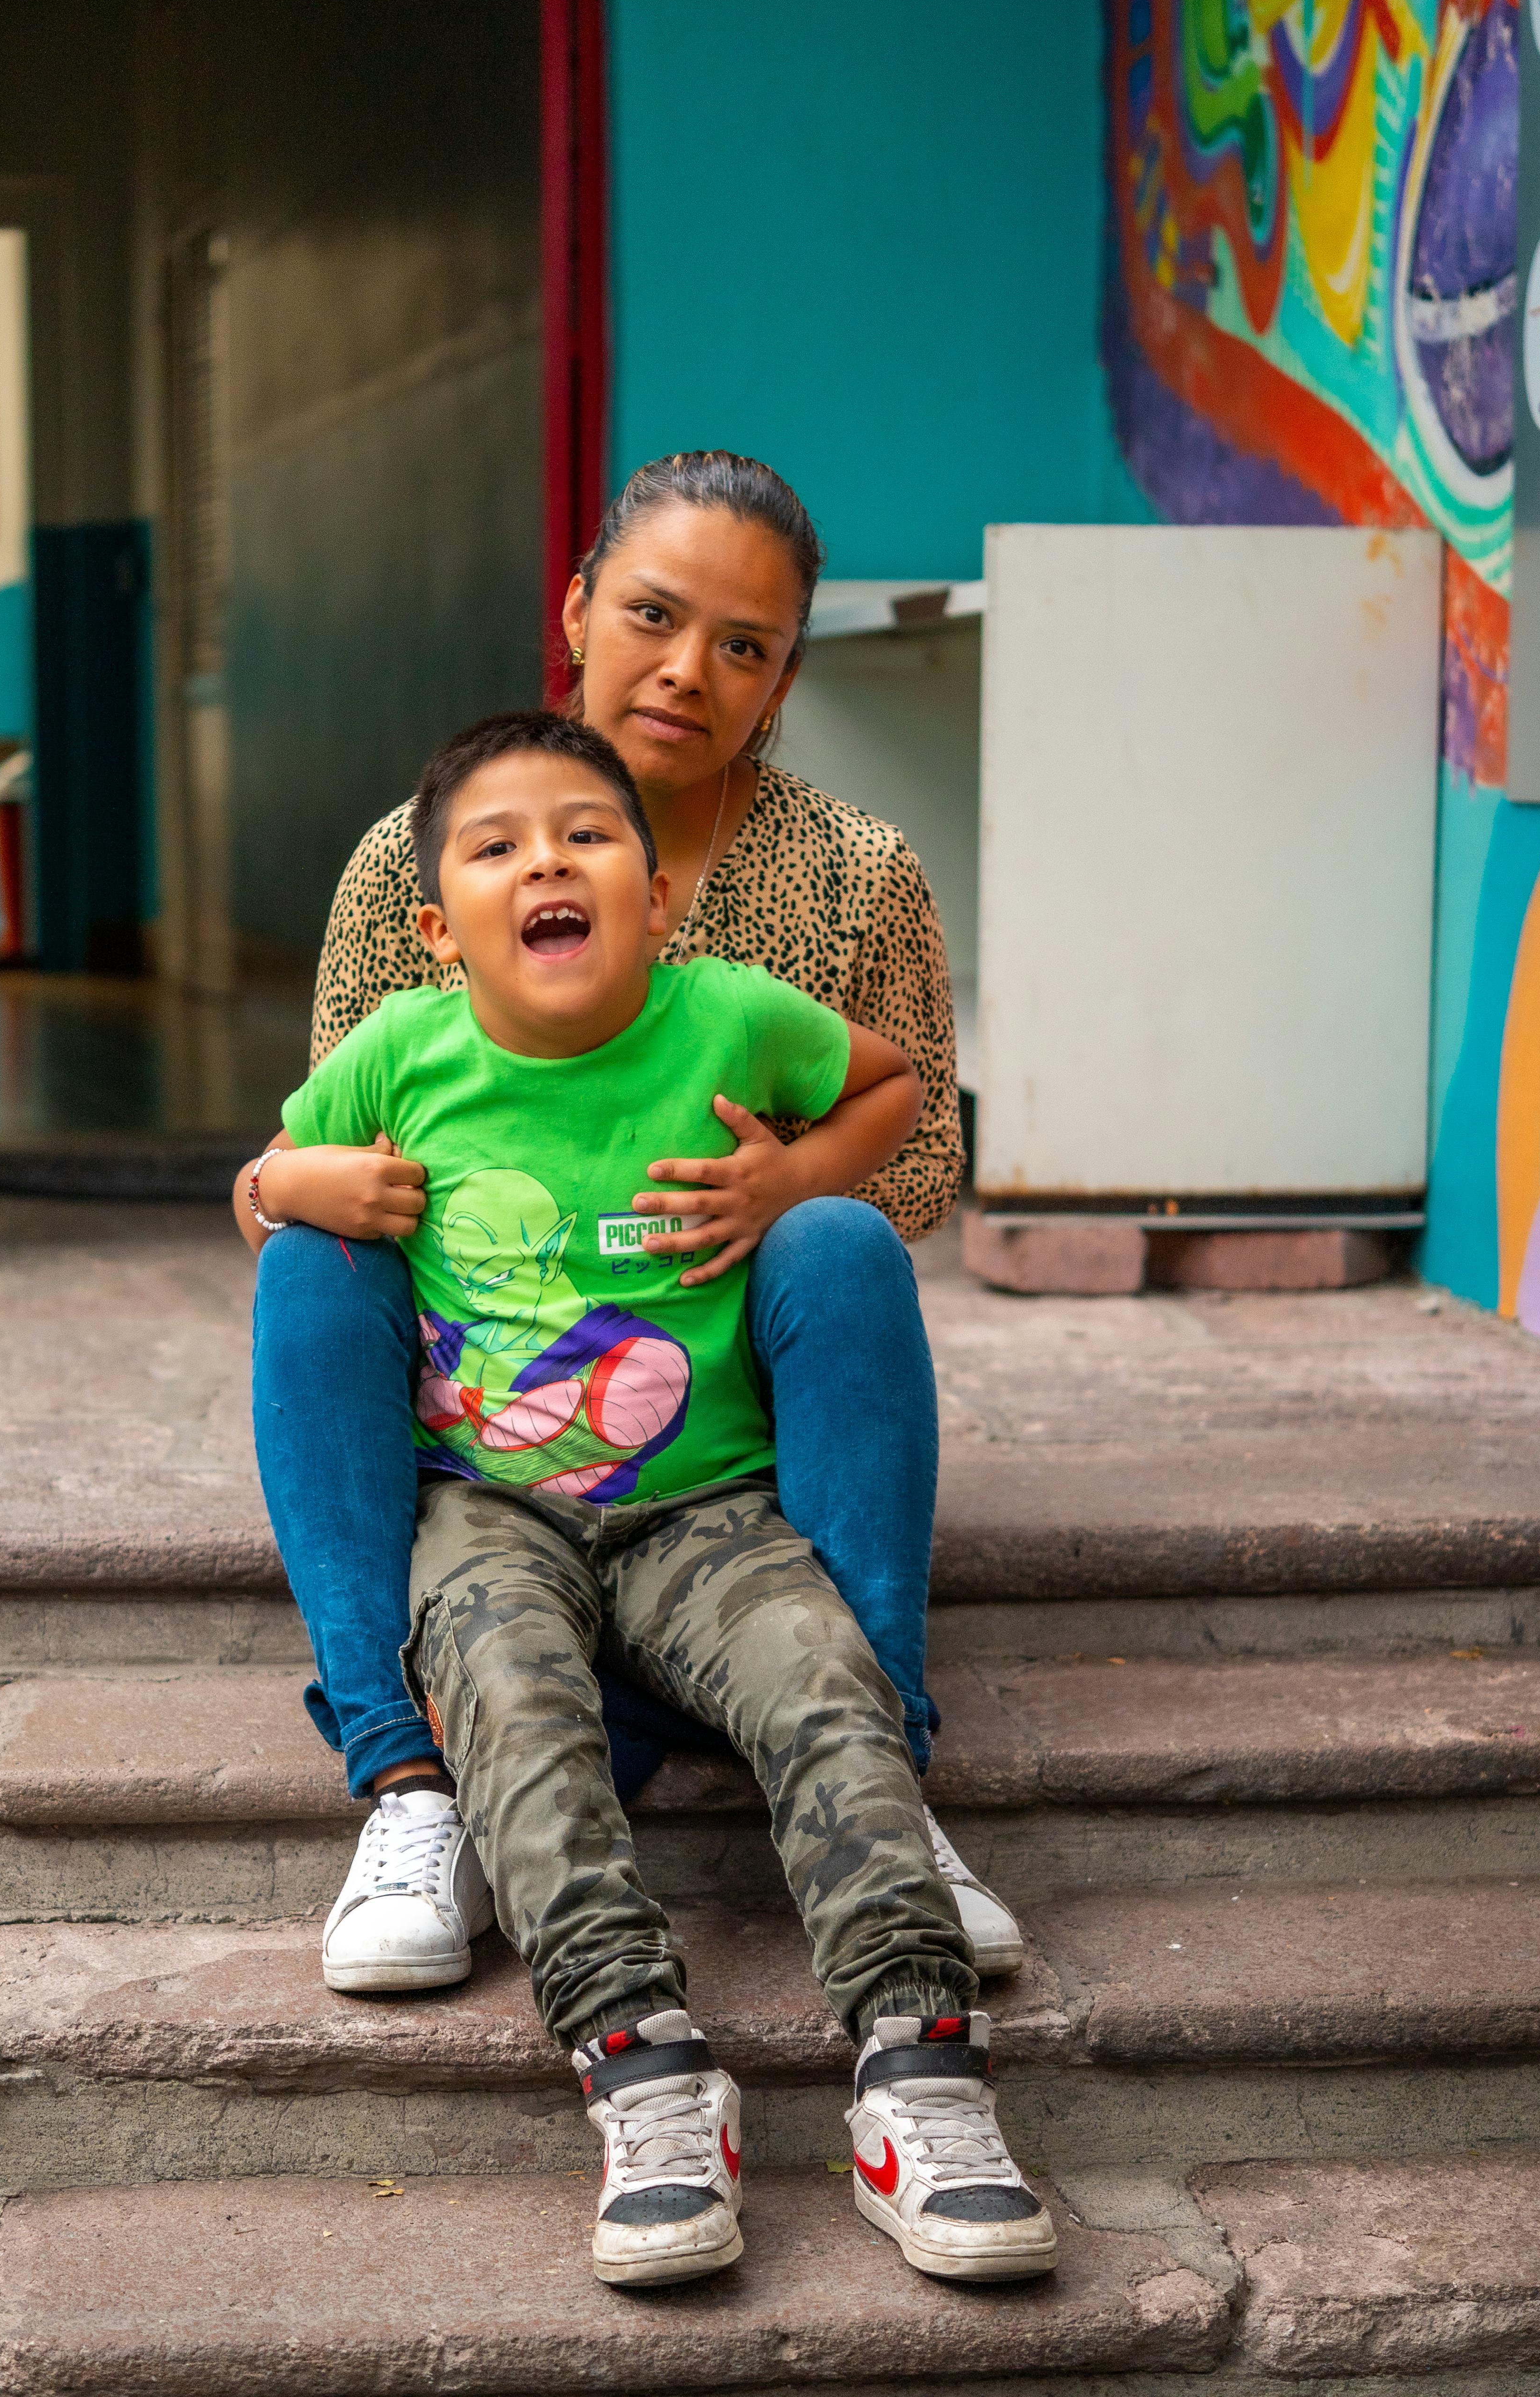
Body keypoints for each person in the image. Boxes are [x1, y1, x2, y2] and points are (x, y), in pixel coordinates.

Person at [256, 709, 1055, 2290]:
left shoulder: (732, 1017)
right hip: (494, 1514)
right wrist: (295, 1186)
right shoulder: (401, 1052)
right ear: (438, 930)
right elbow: (266, 1172)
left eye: (586, 834)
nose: (545, 860)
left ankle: (922, 2076)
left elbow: (900, 1091)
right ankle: (646, 2071)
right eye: (495, 848)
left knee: (827, 1680)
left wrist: (797, 1176)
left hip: (710, 1516)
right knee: (508, 1696)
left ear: (660, 895)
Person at [241, 449, 1020, 1997]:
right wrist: (275, 1189)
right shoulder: (426, 848)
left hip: (731, 1414)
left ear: (787, 676)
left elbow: (919, 1152)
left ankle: (889, 1770)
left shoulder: (853, 875)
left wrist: (788, 1177)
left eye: (747, 647)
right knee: (315, 1273)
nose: (689, 672)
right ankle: (408, 1782)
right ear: (579, 608)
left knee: (844, 1244)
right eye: (655, 616)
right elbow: (327, 1143)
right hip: (495, 1413)